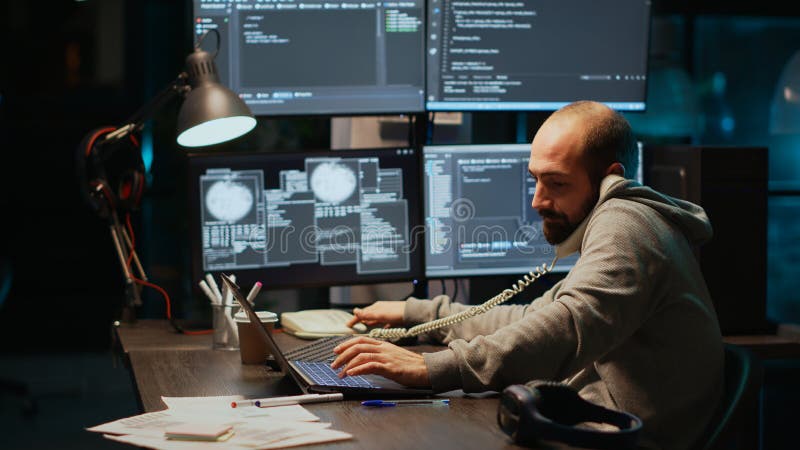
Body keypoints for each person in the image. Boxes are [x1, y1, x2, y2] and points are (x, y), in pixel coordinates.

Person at [331, 101, 723, 449]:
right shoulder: (628, 223)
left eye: (556, 183)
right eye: (535, 179)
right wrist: (420, 315)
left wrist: (431, 368)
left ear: (610, 177)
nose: (537, 200)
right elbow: (532, 318)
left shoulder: (626, 223)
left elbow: (565, 326)